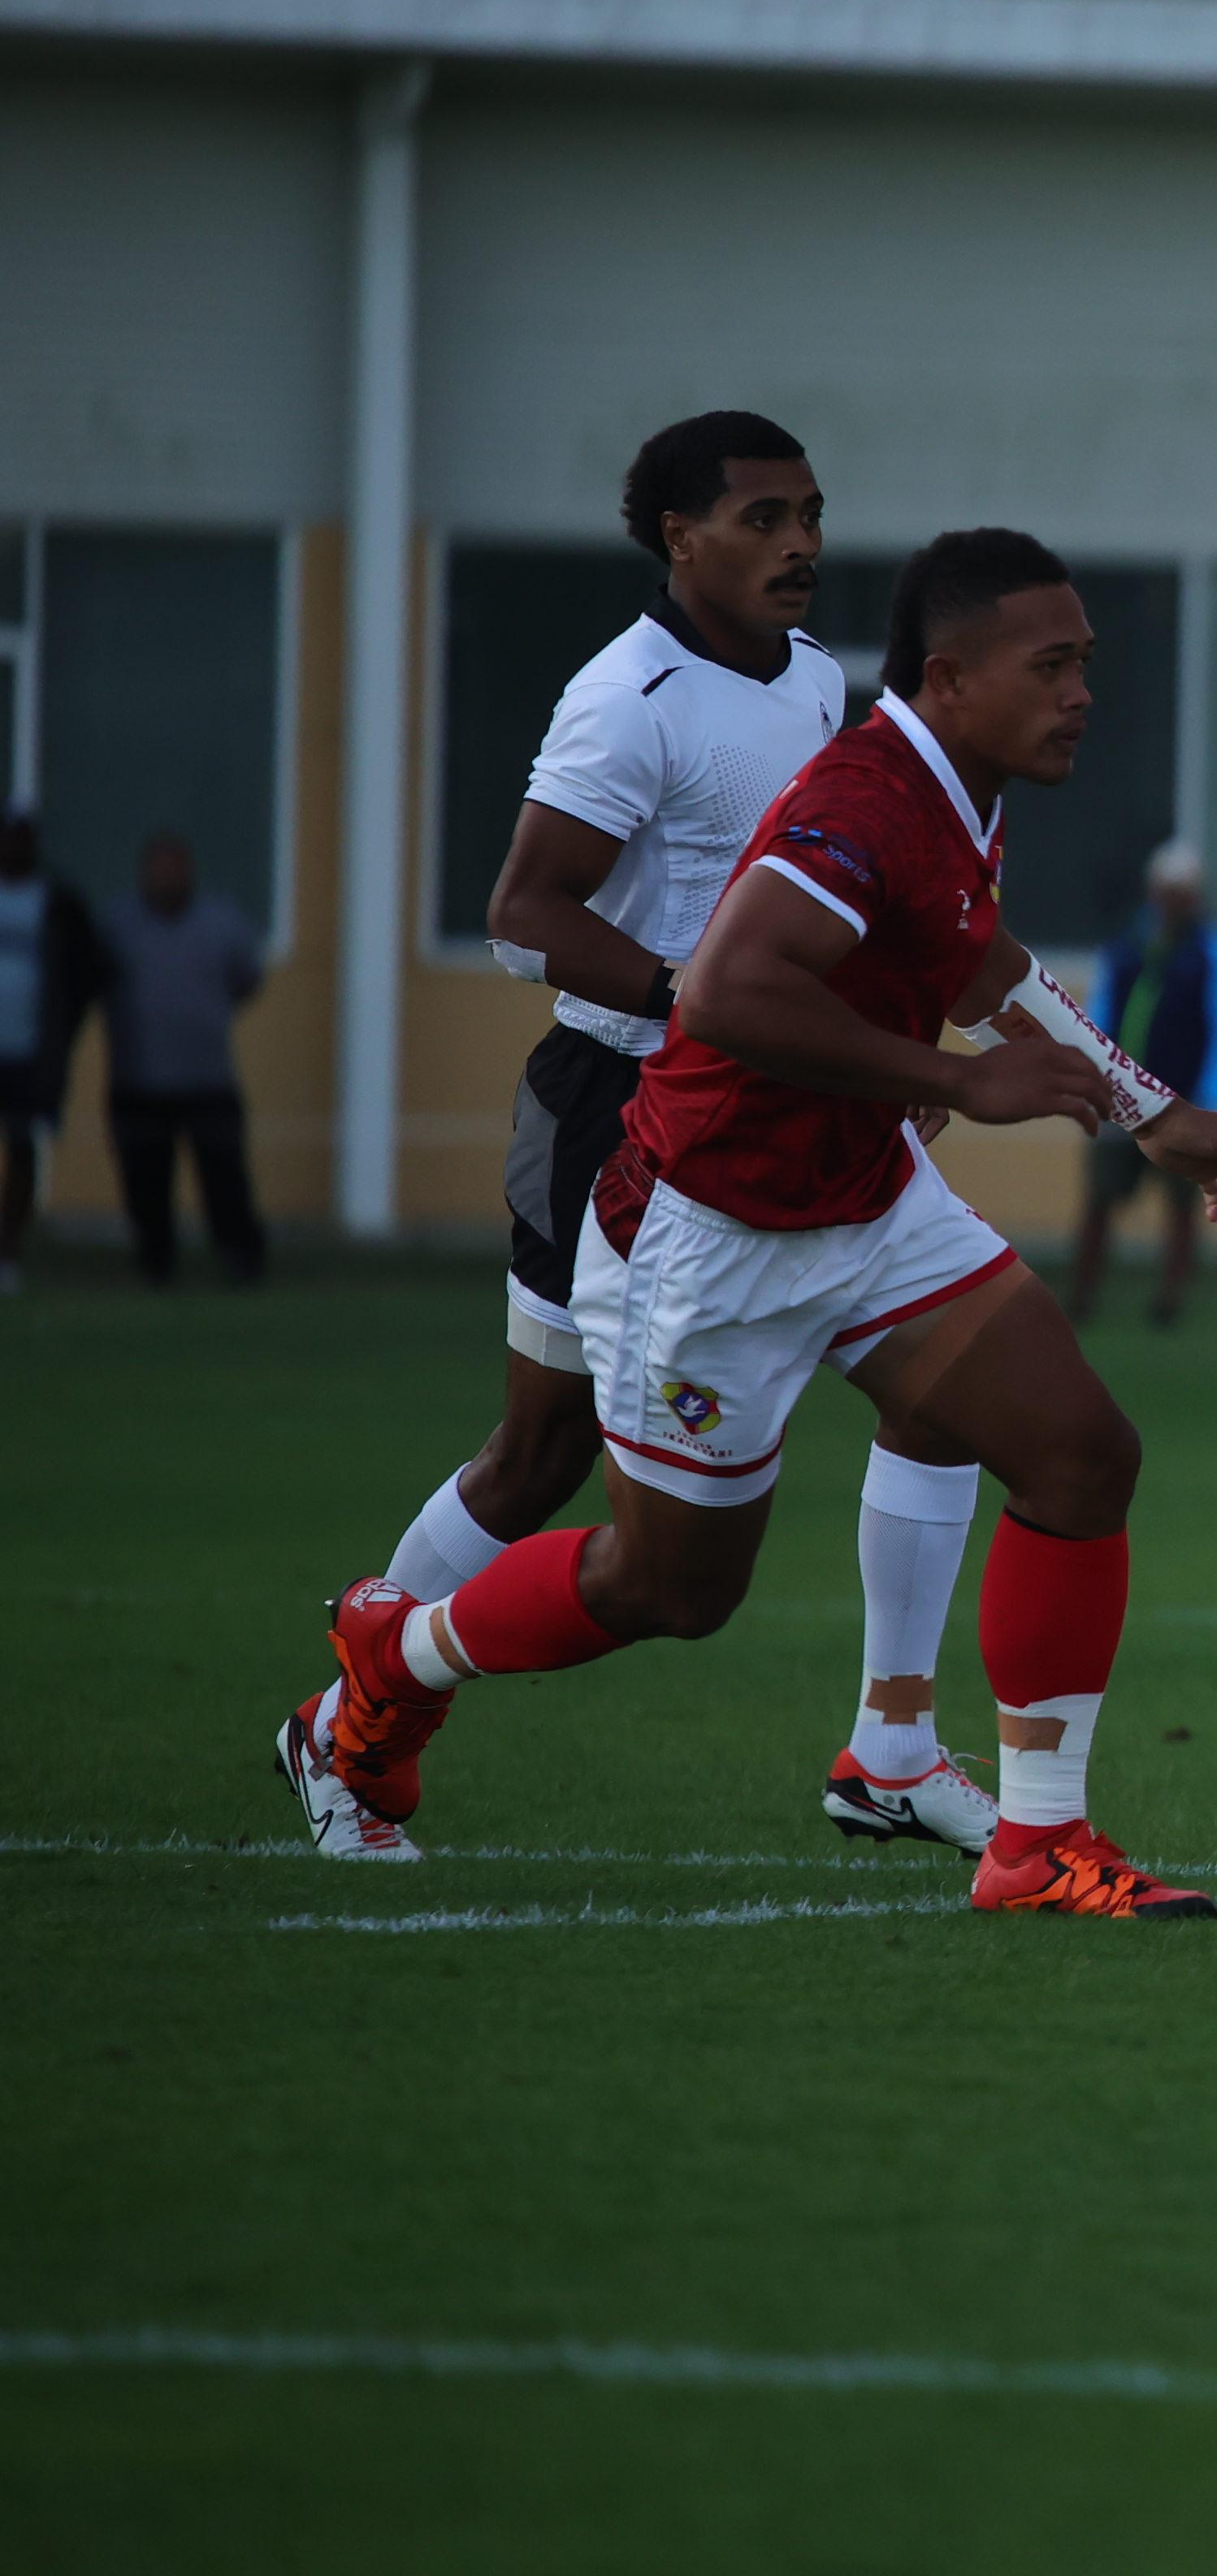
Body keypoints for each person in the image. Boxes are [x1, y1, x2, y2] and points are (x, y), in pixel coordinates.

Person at [282, 530, 1217, 1921]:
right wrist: (960, 1082)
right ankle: (396, 1659)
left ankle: (1034, 1843)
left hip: (867, 1203)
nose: (1082, 695)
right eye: (1051, 667)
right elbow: (726, 994)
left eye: (1086, 665)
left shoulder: (956, 793)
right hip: (715, 1236)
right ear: (948, 680)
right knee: (668, 1590)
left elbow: (978, 957)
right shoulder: (868, 800)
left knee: (1078, 1452)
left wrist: (1145, 1108)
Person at [279, 413, 1016, 1866]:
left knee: (946, 1397)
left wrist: (891, 1046)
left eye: (809, 513)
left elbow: (846, 896)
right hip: (620, 1111)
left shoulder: (817, 681)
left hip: (799, 1101)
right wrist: (697, 1000)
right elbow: (526, 910)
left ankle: (893, 1746)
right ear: (680, 540)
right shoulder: (629, 697)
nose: (798, 543)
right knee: (541, 1456)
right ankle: (346, 1712)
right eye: (760, 518)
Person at [1068, 841, 1217, 1329]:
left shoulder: (1215, 951)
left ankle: (1170, 1299)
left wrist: (1211, 1101)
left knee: (1181, 1205)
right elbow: (1099, 1016)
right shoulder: (1127, 947)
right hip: (1120, 1103)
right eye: (1168, 891)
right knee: (1101, 1199)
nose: (1174, 900)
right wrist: (1095, 1083)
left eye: (1183, 892)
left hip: (1182, 1105)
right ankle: (1081, 1296)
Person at [103, 830, 265, 1286]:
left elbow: (247, 981)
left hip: (207, 1078)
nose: (169, 877)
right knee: (146, 1181)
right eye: (161, 868)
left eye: (177, 867)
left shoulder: (221, 921)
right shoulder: (118, 923)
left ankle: (241, 1261)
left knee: (224, 1178)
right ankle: (155, 1265)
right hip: (139, 1078)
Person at [0, 805, 108, 1296]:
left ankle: (8, 1250)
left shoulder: (59, 903)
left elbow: (86, 973)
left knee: (23, 1149)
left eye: (21, 837)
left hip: (29, 1052)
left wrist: (63, 1032)